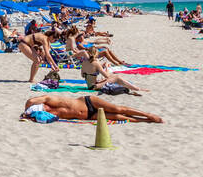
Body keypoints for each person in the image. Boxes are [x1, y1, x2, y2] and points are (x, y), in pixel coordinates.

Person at [21, 93, 163, 123]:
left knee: (118, 109)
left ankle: (148, 114)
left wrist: (28, 106)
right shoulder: (48, 115)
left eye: (42, 109)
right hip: (88, 116)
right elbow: (36, 119)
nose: (43, 111)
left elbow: (31, 100)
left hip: (88, 102)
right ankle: (145, 121)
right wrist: (27, 116)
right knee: (119, 117)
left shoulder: (50, 100)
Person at [80, 47, 146, 94]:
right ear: (96, 54)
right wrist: (106, 67)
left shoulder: (84, 62)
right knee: (117, 77)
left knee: (113, 77)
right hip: (94, 87)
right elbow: (107, 77)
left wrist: (97, 74)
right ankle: (137, 89)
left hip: (90, 85)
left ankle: (135, 88)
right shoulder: (96, 63)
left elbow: (83, 75)